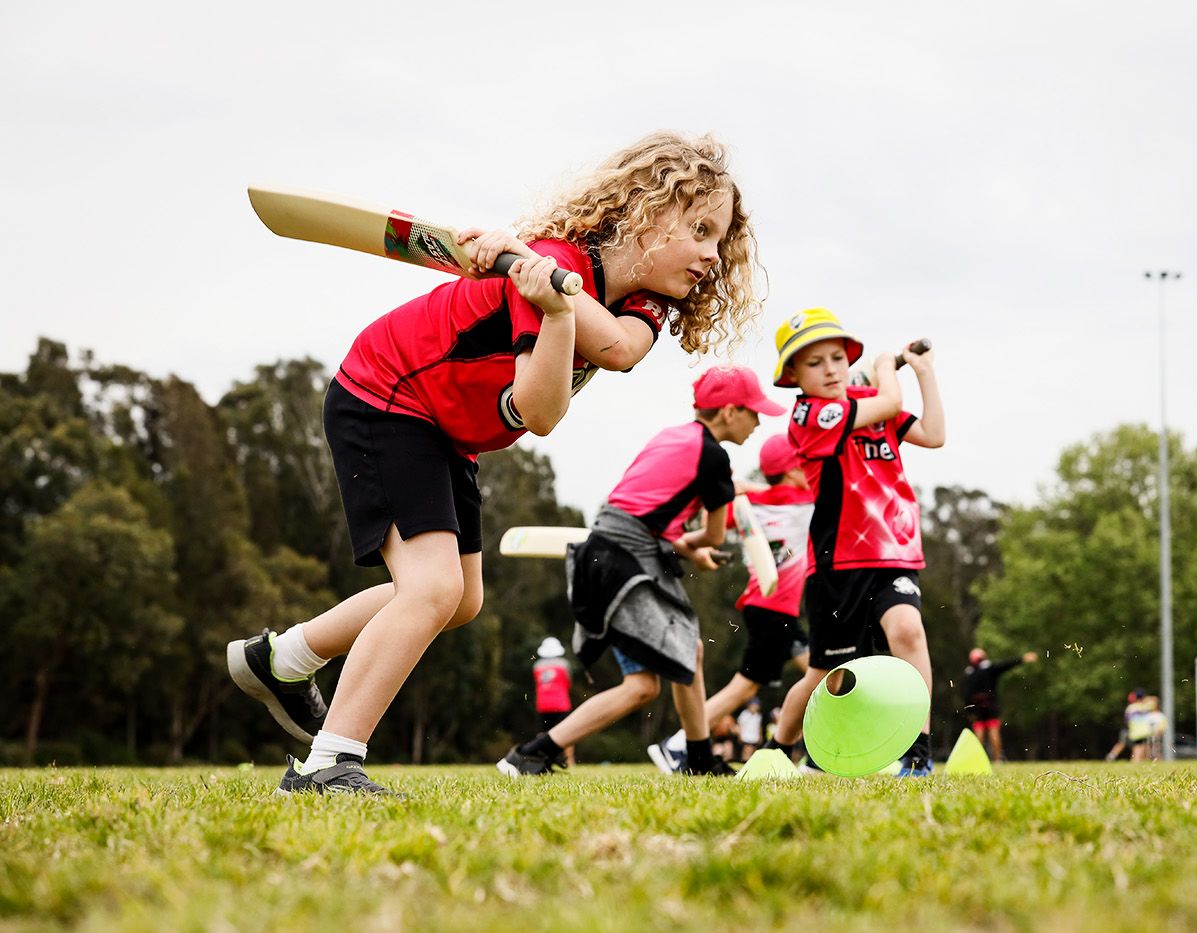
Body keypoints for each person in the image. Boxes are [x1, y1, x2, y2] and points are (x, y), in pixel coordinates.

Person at [225, 133, 759, 795]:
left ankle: (283, 657)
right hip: (386, 394)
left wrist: (547, 290)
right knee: (431, 588)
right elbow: (539, 412)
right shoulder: (555, 263)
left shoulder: (636, 304)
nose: (712, 253)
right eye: (701, 229)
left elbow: (617, 349)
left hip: (446, 429)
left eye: (721, 237)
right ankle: (326, 762)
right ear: (644, 213)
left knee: (460, 599)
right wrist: (548, 293)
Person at [496, 366, 786, 777]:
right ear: (729, 412)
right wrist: (701, 548)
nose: (758, 422)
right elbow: (715, 535)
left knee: (646, 684)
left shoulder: (672, 438)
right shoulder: (714, 456)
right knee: (686, 648)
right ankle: (696, 759)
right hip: (625, 561)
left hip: (606, 553)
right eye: (754, 413)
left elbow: (652, 521)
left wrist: (688, 550)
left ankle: (533, 754)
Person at [761, 308, 946, 777]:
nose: (830, 370)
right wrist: (887, 365)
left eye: (837, 358)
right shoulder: (811, 414)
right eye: (815, 363)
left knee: (908, 633)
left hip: (895, 552)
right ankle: (778, 752)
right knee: (827, 673)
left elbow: (933, 434)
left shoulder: (870, 401)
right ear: (795, 376)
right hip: (838, 562)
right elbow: (884, 404)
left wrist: (923, 374)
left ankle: (919, 752)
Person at [647, 434, 814, 773]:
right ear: (794, 469)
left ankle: (821, 758)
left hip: (767, 605)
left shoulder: (755, 504)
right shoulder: (801, 500)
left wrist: (741, 485)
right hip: (773, 608)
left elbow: (728, 498)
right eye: (803, 465)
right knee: (745, 685)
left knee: (824, 674)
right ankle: (677, 745)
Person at [962, 647, 1039, 763]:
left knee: (979, 735)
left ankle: (977, 761)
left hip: (976, 708)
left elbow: (967, 694)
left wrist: (969, 711)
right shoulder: (990, 668)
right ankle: (997, 759)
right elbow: (1006, 665)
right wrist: (1022, 659)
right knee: (994, 731)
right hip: (990, 705)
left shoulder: (969, 673)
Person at [532, 637, 575, 767]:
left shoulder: (537, 666)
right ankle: (569, 760)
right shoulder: (564, 664)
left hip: (543, 704)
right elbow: (568, 683)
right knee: (568, 731)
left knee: (544, 733)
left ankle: (542, 759)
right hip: (561, 703)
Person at [1104, 689, 1143, 762]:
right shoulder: (1140, 707)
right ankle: (1136, 760)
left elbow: (1127, 719)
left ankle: (1111, 756)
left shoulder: (1131, 707)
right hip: (1134, 730)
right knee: (1137, 745)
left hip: (1127, 728)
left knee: (1122, 743)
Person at [736, 697, 764, 762]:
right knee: (747, 751)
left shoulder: (758, 716)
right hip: (746, 737)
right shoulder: (744, 714)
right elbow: (740, 726)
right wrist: (740, 736)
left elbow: (759, 727)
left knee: (753, 752)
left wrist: (760, 736)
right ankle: (744, 763)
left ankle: (748, 764)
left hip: (754, 737)